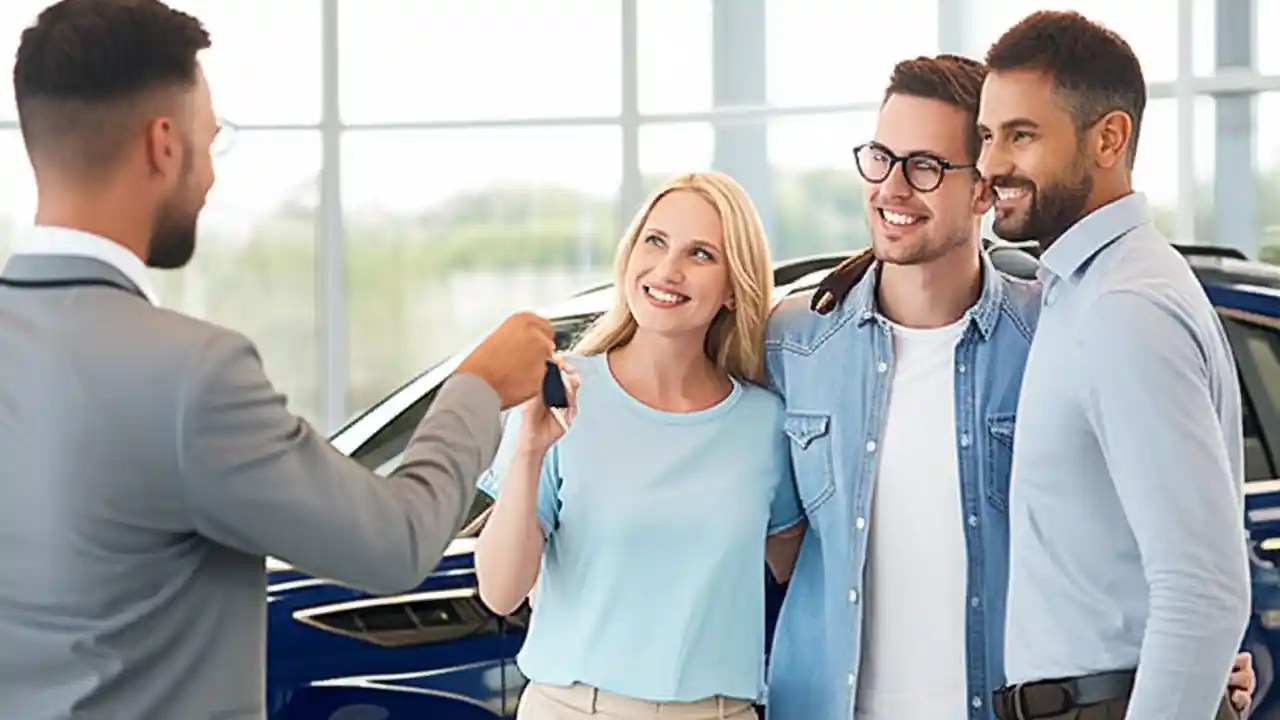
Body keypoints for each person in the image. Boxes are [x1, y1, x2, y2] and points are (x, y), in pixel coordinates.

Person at [0, 2, 555, 718]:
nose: (209, 177)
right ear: (163, 145)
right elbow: (394, 542)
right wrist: (478, 385)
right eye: (212, 140)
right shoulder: (192, 376)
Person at [761, 51, 1256, 720]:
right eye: (880, 158)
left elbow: (1140, 543)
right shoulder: (793, 343)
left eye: (926, 167)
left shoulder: (1057, 332)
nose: (892, 188)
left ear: (983, 189)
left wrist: (1184, 673)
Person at [977, 12, 1251, 720]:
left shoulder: (1124, 307)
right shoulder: (1081, 290)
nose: (990, 165)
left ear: (1109, 138)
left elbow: (1205, 587)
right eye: (987, 135)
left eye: (1021, 135)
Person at [474, 171, 806, 720]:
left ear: (732, 289)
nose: (668, 270)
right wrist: (531, 451)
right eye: (655, 241)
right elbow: (501, 593)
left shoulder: (764, 424)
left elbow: (801, 575)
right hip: (574, 708)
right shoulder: (561, 395)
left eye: (700, 254)